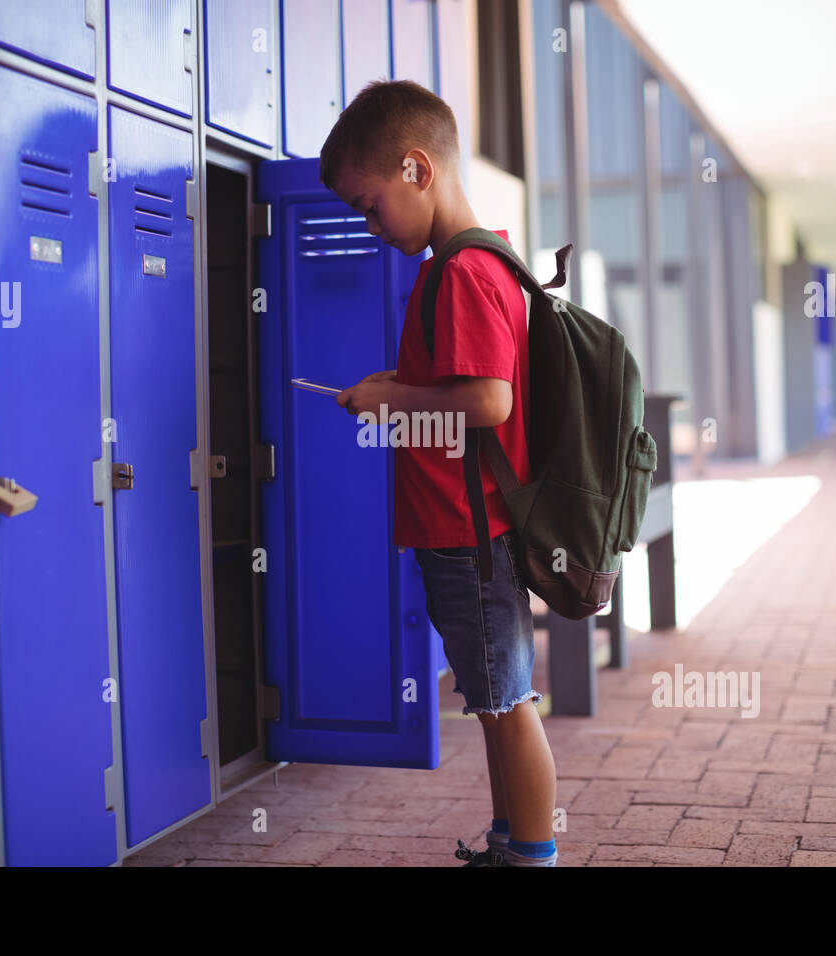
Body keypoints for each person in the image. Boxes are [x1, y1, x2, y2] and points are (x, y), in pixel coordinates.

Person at [322, 79, 557, 867]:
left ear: (417, 169)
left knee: (508, 704)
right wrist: (398, 395)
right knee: (494, 702)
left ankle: (532, 855)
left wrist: (391, 401)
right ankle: (509, 842)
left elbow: (488, 400)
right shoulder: (477, 261)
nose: (369, 224)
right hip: (466, 529)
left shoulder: (459, 271)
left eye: (369, 202)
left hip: (470, 532)